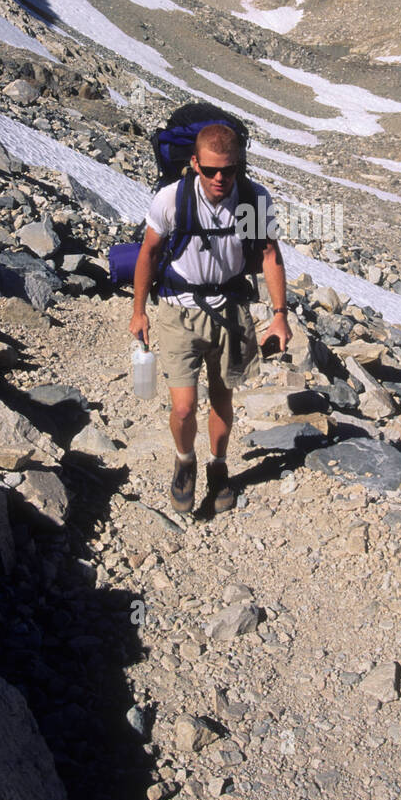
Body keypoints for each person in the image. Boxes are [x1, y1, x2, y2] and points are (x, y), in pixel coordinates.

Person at [128, 122, 291, 513]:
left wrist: (280, 315)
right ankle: (185, 461)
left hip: (230, 309)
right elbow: (148, 254)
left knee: (222, 399)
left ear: (239, 164)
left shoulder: (252, 199)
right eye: (211, 170)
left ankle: (219, 467)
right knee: (183, 406)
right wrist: (138, 312)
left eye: (229, 170)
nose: (221, 178)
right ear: (195, 163)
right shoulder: (172, 199)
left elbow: (269, 255)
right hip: (177, 311)